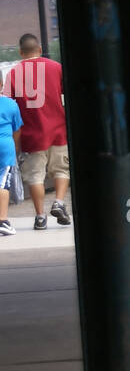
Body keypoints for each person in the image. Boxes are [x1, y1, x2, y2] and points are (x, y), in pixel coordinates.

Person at [2, 33, 71, 229]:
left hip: (31, 133)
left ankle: (40, 216)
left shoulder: (13, 73)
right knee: (62, 169)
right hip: (58, 129)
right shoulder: (56, 67)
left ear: (20, 52)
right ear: (40, 50)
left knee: (35, 176)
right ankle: (59, 202)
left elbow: (7, 102)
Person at [0, 90, 22, 237]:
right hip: (4, 147)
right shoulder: (11, 104)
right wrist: (15, 147)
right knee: (2, 183)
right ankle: (2, 221)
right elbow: (17, 130)